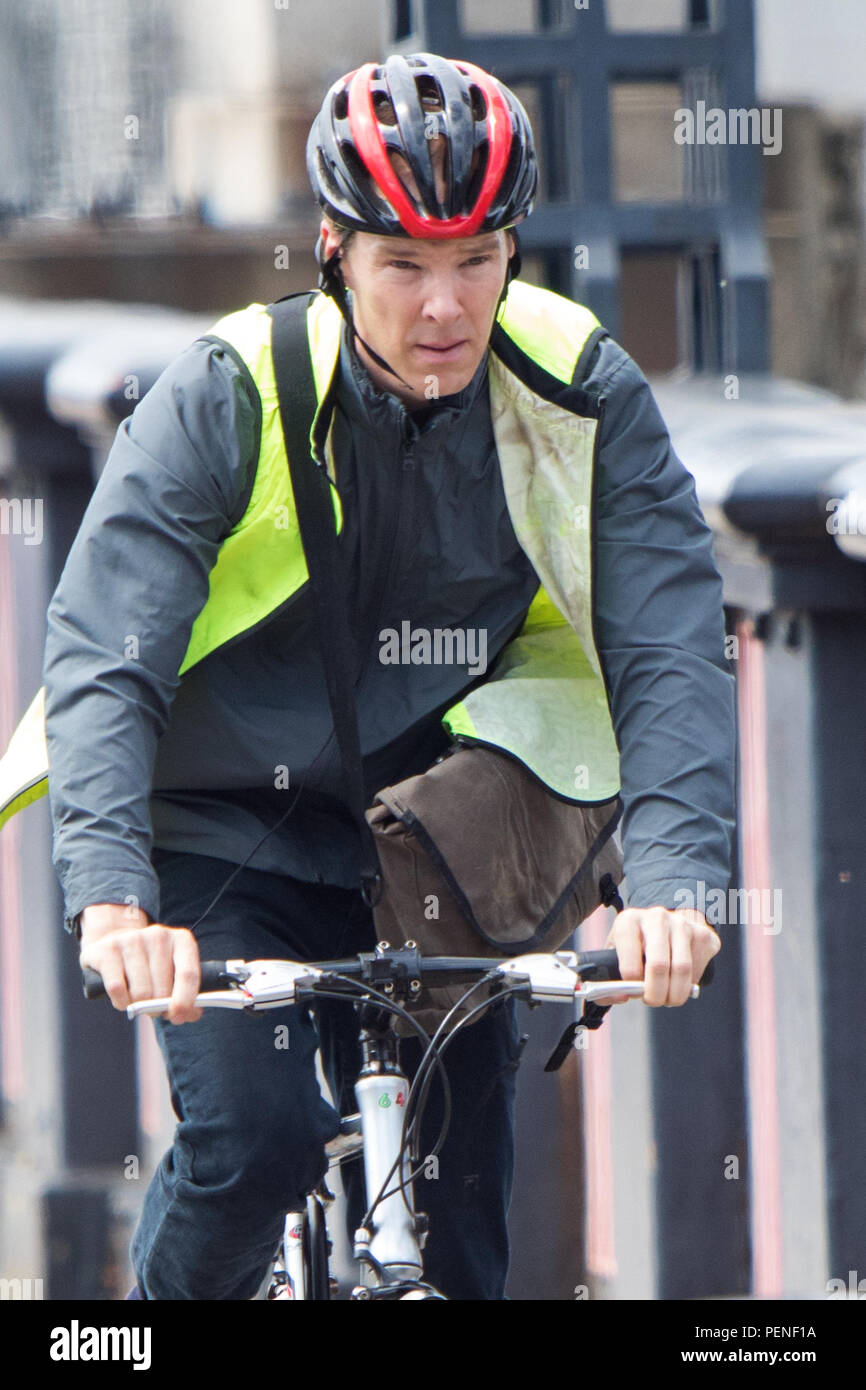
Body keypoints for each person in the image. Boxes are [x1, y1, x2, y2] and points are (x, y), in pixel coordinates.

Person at [36, 53, 733, 1299]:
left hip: (431, 828)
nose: (444, 308)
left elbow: (666, 640)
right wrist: (113, 903)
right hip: (223, 824)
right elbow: (109, 649)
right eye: (402, 264)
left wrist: (675, 882)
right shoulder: (228, 392)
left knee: (463, 1220)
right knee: (253, 1144)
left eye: (475, 258)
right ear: (332, 253)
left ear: (514, 251)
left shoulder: (577, 389)